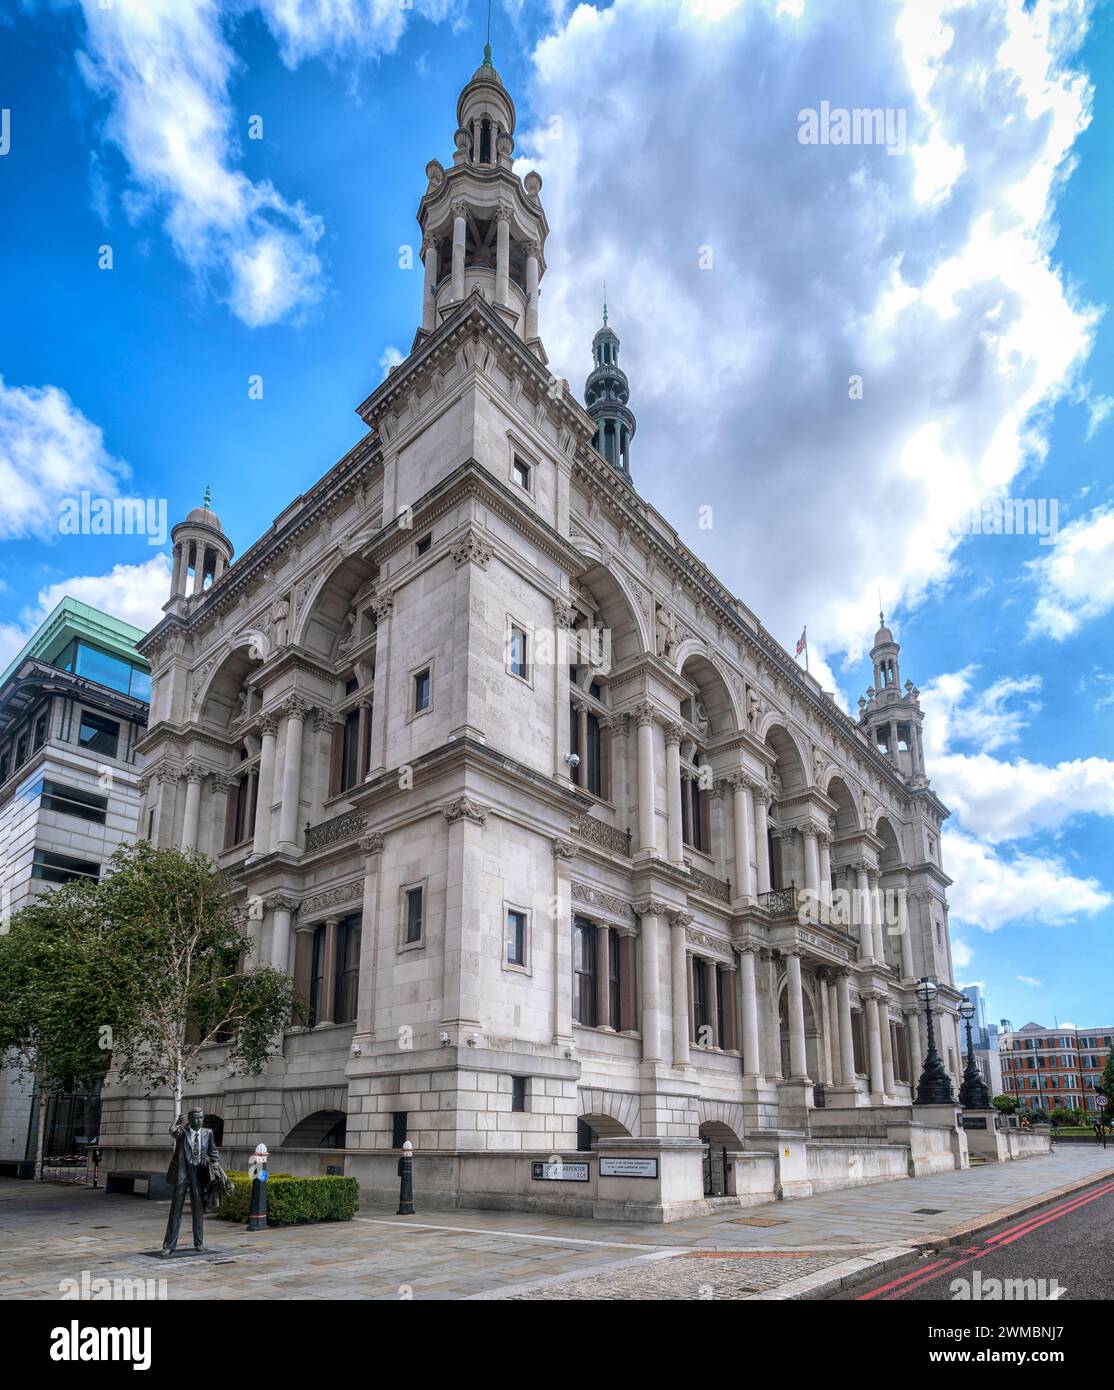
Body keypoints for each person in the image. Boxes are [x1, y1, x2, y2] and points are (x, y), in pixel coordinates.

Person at [161, 1109, 220, 1256]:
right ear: (191, 1120)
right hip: (182, 1173)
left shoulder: (208, 1133)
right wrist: (176, 1124)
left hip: (199, 1174)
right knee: (176, 1210)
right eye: (197, 1118)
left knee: (198, 1209)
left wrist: (216, 1163)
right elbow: (173, 1132)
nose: (200, 1121)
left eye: (202, 1118)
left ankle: (199, 1243)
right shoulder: (183, 1132)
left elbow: (213, 1151)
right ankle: (169, 1245)